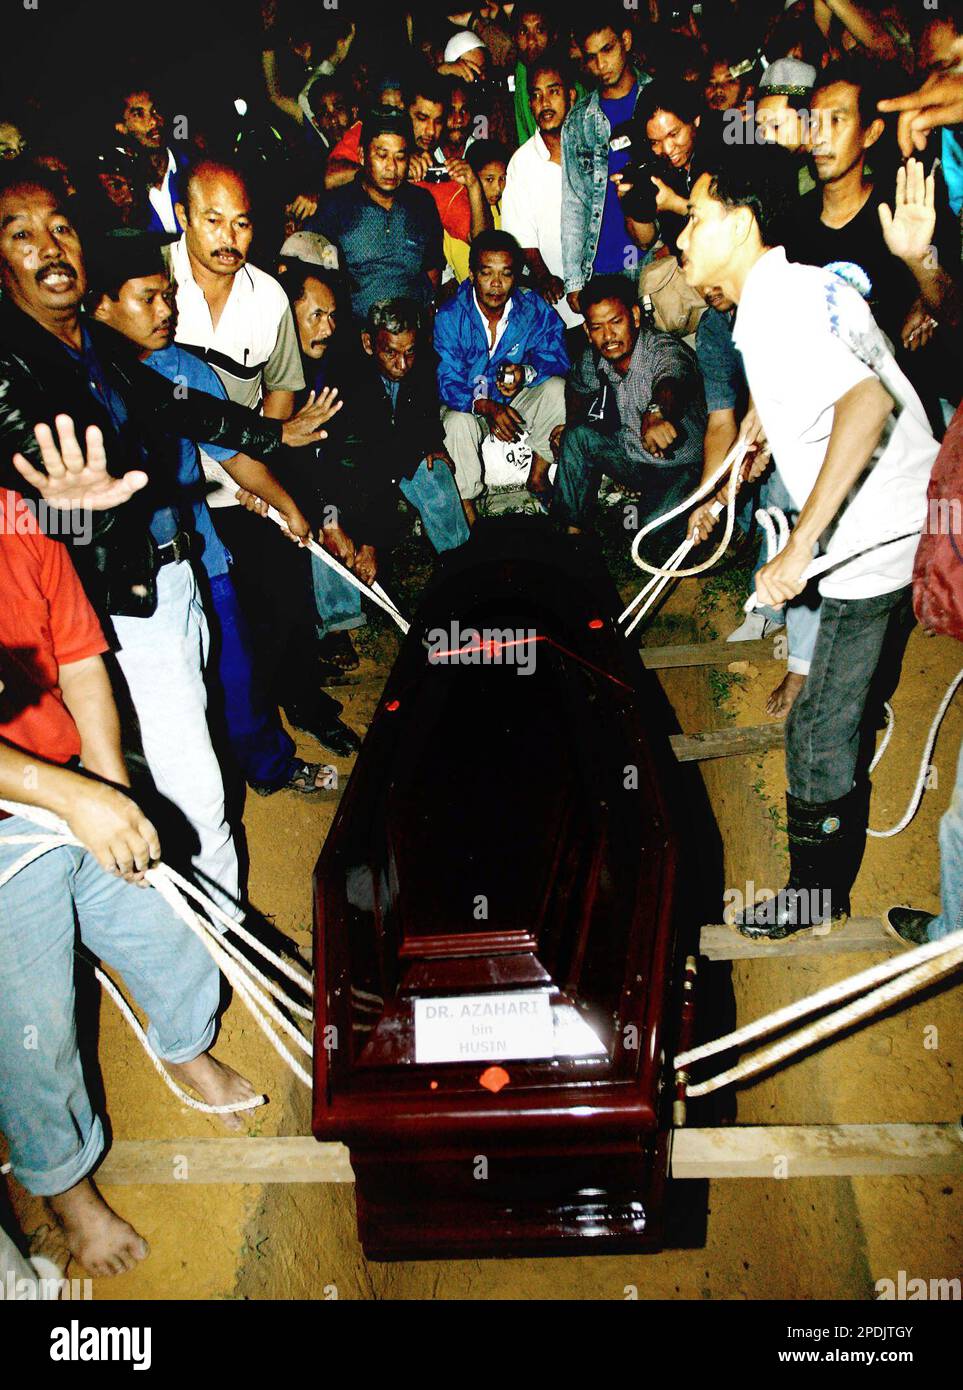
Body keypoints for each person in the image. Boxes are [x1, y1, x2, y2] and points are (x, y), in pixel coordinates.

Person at [678, 139, 938, 940]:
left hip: (877, 540)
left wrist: (798, 548)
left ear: (742, 222)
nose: (681, 238)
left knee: (817, 730)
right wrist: (772, 420)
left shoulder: (777, 305)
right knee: (836, 705)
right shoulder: (796, 283)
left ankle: (814, 896)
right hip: (908, 510)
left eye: (695, 218)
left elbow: (865, 405)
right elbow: (870, 363)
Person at [0, 504, 255, 1276]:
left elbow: (80, 662)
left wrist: (110, 789)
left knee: (165, 928)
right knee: (32, 1027)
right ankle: (66, 1189)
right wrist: (77, 800)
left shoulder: (21, 517)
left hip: (69, 782)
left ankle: (188, 1050)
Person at [86, 232, 347, 794]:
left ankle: (268, 767)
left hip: (200, 552)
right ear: (101, 305)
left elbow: (234, 452)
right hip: (118, 574)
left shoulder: (189, 372)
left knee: (235, 671)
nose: (167, 311)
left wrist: (290, 509)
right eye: (149, 298)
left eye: (169, 296)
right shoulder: (76, 382)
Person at [786, 55, 960, 432]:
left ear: (871, 133)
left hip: (909, 417)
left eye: (836, 120)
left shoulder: (905, 209)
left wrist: (919, 265)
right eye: (814, 121)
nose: (820, 135)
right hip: (826, 415)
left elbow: (953, 313)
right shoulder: (791, 226)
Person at [551, 274, 706, 539]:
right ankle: (571, 536)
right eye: (597, 327)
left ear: (634, 316)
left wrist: (657, 412)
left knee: (651, 527)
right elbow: (576, 385)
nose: (608, 335)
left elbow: (672, 379)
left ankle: (709, 502)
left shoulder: (663, 349)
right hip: (635, 459)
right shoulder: (593, 359)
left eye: (615, 322)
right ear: (587, 331)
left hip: (683, 467)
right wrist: (573, 424)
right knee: (575, 437)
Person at [434, 229, 569, 520]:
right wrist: (484, 404)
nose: (496, 284)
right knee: (457, 425)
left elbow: (557, 356)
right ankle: (467, 507)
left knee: (557, 389)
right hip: (469, 406)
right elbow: (447, 380)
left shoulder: (532, 307)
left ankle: (538, 476)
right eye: (486, 273)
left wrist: (526, 372)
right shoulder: (450, 315)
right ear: (471, 275)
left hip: (513, 400)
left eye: (506, 274)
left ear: (516, 276)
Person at [310, 106, 445, 323]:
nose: (391, 167)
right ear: (362, 156)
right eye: (382, 155)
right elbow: (318, 279)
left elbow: (432, 274)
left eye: (400, 157)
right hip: (357, 336)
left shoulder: (422, 204)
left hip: (412, 334)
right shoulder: (336, 207)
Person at [561, 10, 656, 318]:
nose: (600, 65)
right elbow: (574, 204)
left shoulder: (659, 99)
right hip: (600, 265)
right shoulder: (578, 122)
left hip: (654, 258)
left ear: (625, 41)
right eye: (591, 57)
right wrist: (574, 279)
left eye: (607, 50)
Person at [502, 49, 582, 330]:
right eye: (536, 95)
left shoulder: (593, 148)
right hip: (558, 308)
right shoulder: (521, 164)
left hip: (606, 298)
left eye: (553, 92)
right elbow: (521, 235)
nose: (544, 103)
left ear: (571, 96)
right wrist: (544, 277)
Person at [111, 84, 188, 235]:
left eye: (154, 111)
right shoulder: (124, 189)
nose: (153, 120)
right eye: (139, 114)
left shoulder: (192, 168)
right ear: (122, 127)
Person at [444, 138, 506, 283]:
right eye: (489, 179)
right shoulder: (456, 207)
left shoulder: (507, 206)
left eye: (502, 178)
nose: (498, 188)